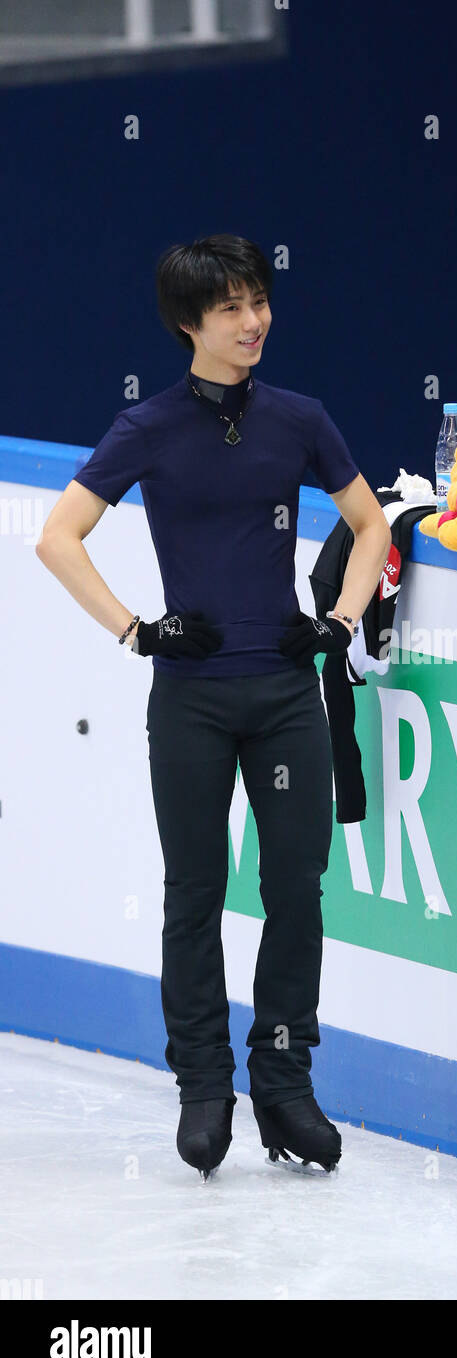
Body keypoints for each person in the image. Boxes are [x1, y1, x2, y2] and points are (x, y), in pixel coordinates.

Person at [35, 234, 391, 1179]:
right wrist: (138, 632)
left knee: (295, 892)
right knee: (193, 894)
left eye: (260, 300)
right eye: (231, 307)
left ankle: (284, 1079)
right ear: (189, 323)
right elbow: (58, 538)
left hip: (282, 692)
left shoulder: (299, 418)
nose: (253, 321)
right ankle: (202, 1084)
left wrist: (339, 620)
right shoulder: (148, 429)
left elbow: (370, 525)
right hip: (190, 698)